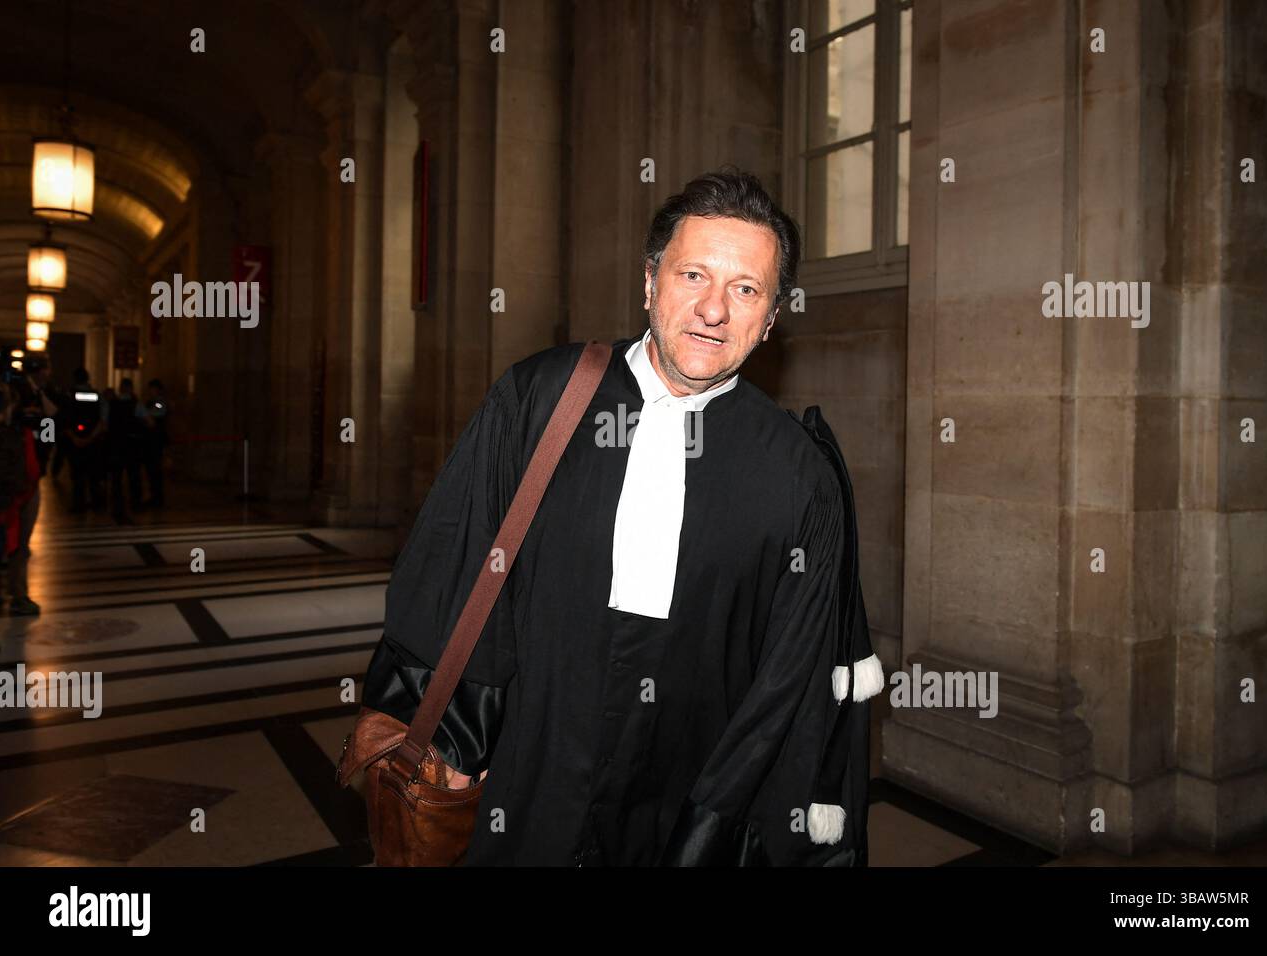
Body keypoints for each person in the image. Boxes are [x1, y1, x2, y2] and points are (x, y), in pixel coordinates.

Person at [359, 168, 884, 866]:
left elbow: (789, 680)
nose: (714, 310)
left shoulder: (797, 472)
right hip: (529, 754)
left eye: (746, 289)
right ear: (650, 282)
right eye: (693, 275)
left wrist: (713, 825)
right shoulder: (538, 397)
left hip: (689, 784)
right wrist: (458, 742)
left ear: (773, 317)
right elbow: (456, 563)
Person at [0, 384, 42, 615]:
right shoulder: (7, 428)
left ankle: (18, 593)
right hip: (10, 491)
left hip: (27, 488)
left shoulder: (28, 424)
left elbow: (49, 436)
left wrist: (40, 399)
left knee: (19, 545)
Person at [66, 368, 107, 513]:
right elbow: (103, 421)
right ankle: (97, 503)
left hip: (75, 441)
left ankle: (78, 505)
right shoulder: (98, 396)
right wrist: (90, 438)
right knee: (94, 474)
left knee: (77, 476)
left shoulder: (69, 396)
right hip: (94, 441)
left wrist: (75, 438)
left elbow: (62, 420)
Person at [104, 377, 145, 519]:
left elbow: (104, 422)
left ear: (120, 388)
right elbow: (149, 421)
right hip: (132, 444)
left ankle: (117, 506)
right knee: (134, 476)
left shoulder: (111, 404)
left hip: (115, 445)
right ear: (131, 388)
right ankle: (136, 504)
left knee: (116, 478)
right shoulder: (137, 404)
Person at [137, 378, 168, 507]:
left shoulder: (160, 402)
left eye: (153, 388)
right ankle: (154, 496)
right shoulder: (149, 402)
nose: (151, 391)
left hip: (157, 441)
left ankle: (157, 498)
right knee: (150, 471)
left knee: (156, 471)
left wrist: (144, 415)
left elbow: (158, 413)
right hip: (149, 441)